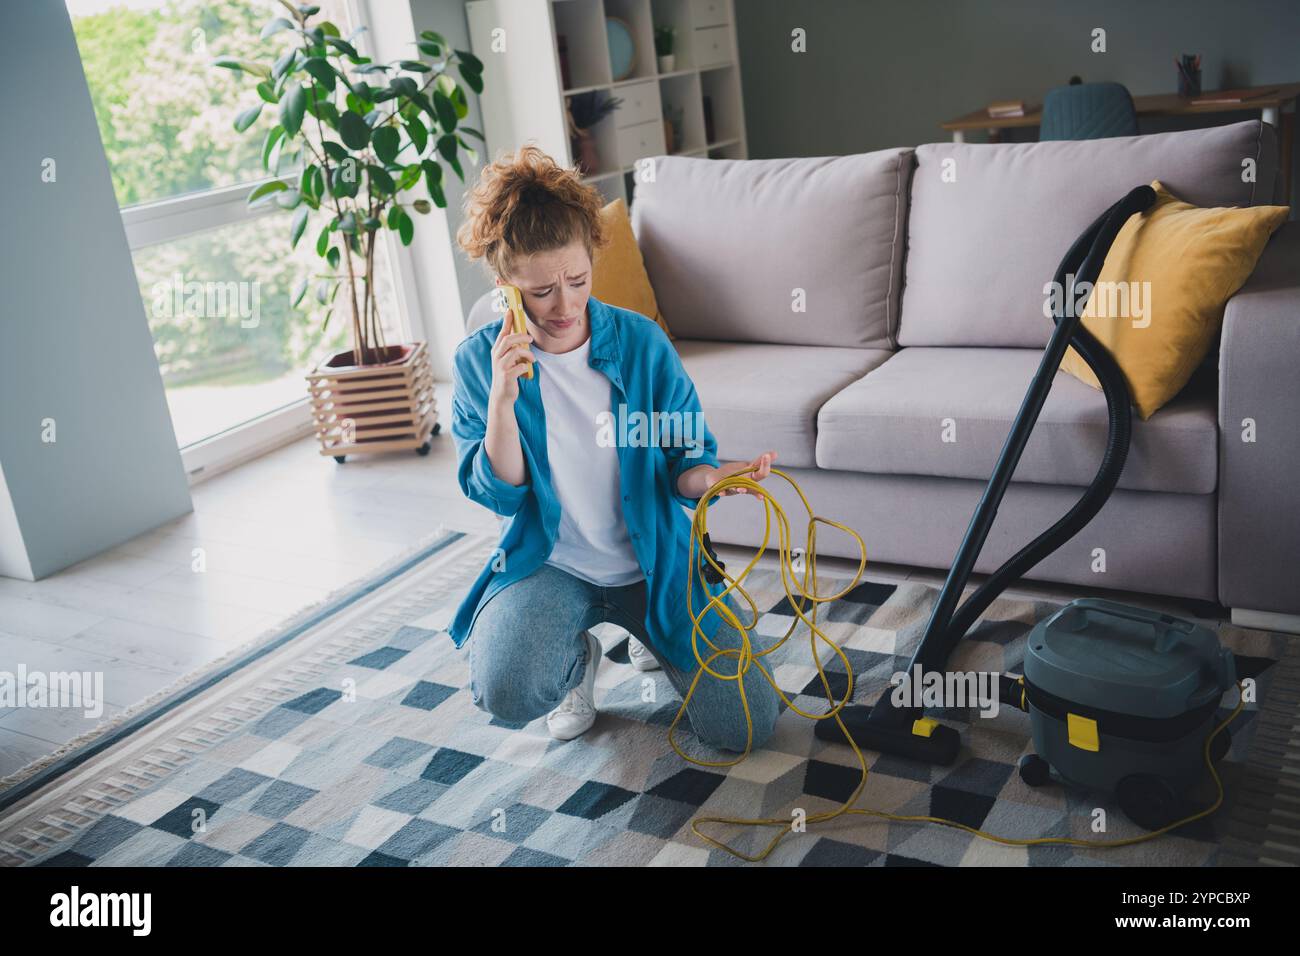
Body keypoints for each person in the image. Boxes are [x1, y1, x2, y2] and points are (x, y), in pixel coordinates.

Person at [447, 144, 782, 751]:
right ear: (506, 288)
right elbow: (497, 491)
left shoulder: (641, 345)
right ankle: (578, 661)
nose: (566, 305)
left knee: (748, 726)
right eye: (542, 290)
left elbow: (684, 464)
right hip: (551, 566)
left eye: (577, 280)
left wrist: (713, 478)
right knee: (508, 689)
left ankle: (647, 631)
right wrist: (501, 401)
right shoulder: (478, 363)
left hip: (653, 564)